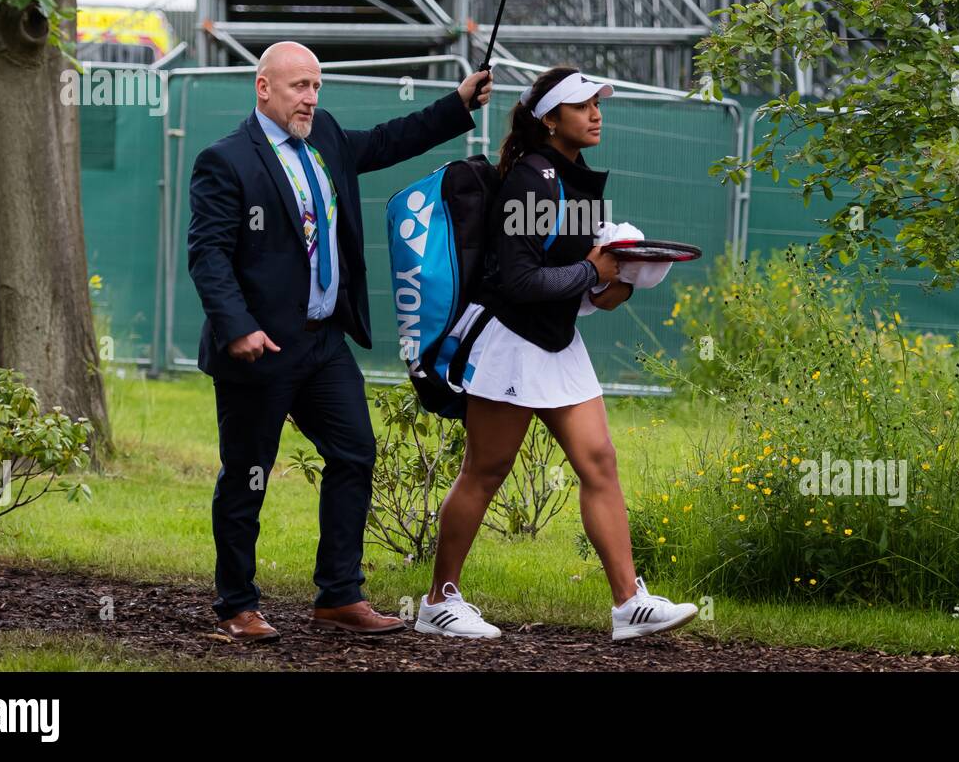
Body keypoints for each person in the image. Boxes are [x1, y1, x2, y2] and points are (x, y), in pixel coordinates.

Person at [187, 41, 491, 642]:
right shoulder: (224, 161)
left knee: (354, 453)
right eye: (299, 86)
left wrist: (455, 105)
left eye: (317, 86)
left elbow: (385, 141)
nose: (311, 97)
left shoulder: (323, 136)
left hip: (324, 342)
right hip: (260, 347)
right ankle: (236, 606)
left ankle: (338, 597)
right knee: (248, 473)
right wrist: (238, 326)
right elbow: (208, 256)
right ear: (264, 88)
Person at [415, 65, 698, 641]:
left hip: (557, 342)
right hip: (512, 343)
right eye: (582, 105)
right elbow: (518, 280)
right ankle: (438, 602)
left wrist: (616, 280)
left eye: (599, 105)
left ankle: (628, 604)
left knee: (599, 463)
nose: (596, 114)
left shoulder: (577, 180)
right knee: (485, 472)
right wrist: (590, 270)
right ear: (550, 119)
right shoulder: (532, 179)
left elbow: (575, 282)